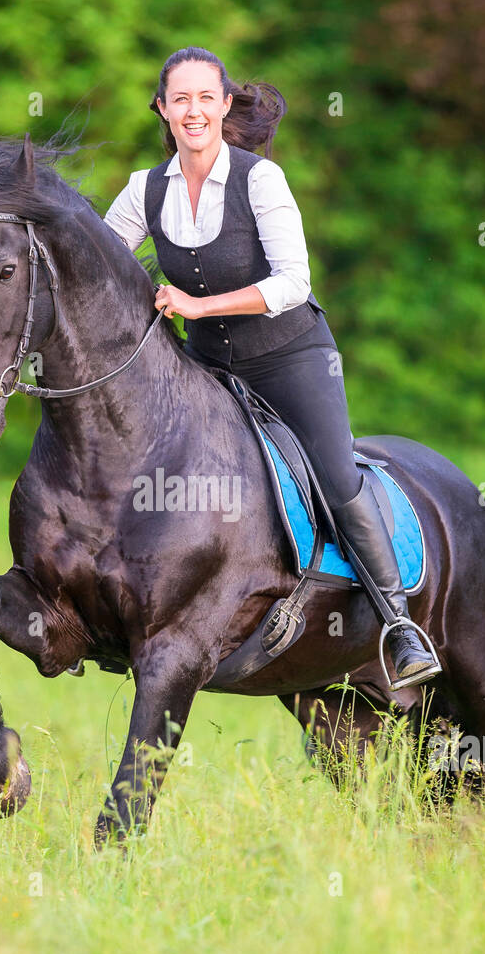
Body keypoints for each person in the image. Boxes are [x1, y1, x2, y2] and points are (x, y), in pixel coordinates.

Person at [104, 46, 440, 687]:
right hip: (211, 371)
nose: (193, 110)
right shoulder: (145, 189)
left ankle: (399, 625)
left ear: (225, 105)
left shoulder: (260, 179)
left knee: (337, 477)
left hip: (290, 358)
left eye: (207, 97)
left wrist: (197, 306)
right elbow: (104, 261)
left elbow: (292, 281)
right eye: (180, 99)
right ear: (163, 110)